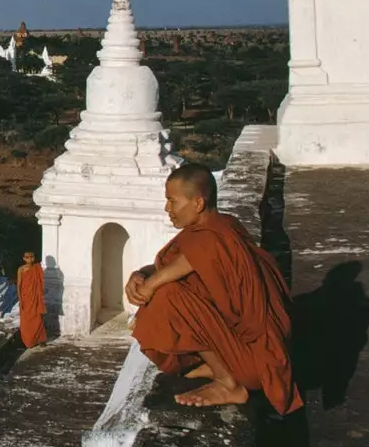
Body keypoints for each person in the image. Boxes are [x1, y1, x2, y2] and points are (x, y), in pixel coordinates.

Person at [128, 163, 302, 413]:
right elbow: (173, 265)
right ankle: (219, 365)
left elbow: (184, 265)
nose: (167, 209)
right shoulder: (218, 226)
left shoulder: (213, 238)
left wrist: (150, 284)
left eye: (172, 201)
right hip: (245, 351)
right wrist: (141, 274)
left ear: (197, 204)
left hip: (257, 362)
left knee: (167, 297)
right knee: (168, 290)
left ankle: (227, 383)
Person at [17, 250, 48, 348]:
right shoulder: (21, 270)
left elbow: (40, 282)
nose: (29, 258)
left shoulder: (37, 268)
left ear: (34, 258)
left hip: (35, 297)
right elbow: (19, 285)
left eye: (31, 257)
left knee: (38, 318)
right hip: (26, 298)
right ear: (23, 258)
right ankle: (28, 341)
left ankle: (40, 339)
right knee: (26, 321)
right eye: (27, 257)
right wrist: (20, 300)